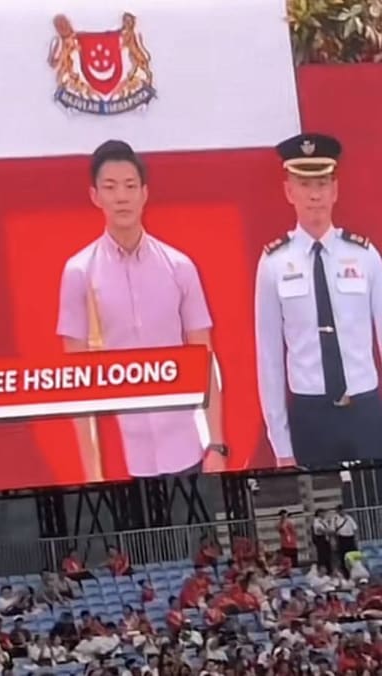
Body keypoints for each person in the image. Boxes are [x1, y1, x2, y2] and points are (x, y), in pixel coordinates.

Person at [57, 139, 227, 481]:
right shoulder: (79, 272)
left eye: (130, 186)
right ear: (95, 196)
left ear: (145, 194)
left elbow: (204, 360)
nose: (122, 196)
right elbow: (75, 383)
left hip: (188, 448)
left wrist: (217, 445)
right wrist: (93, 475)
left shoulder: (179, 267)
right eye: (110, 187)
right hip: (128, 457)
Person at [255, 132, 382, 469]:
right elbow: (269, 359)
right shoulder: (273, 263)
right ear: (288, 191)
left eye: (322, 183)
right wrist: (280, 441)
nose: (314, 195)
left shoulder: (365, 255)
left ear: (335, 190)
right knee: (321, 516)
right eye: (304, 184)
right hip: (310, 415)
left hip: (366, 409)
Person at [312, 508, 334, 572]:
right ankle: (323, 570)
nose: (324, 514)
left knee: (328, 555)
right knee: (322, 556)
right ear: (319, 513)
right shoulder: (316, 521)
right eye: (322, 513)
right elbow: (318, 529)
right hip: (320, 539)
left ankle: (329, 569)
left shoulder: (324, 520)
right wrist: (327, 531)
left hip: (326, 538)